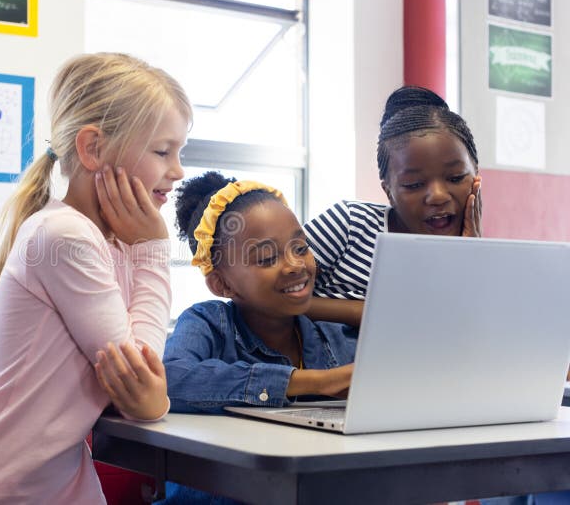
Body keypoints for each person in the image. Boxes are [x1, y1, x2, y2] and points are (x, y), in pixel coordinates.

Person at [0, 52, 191, 504]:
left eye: (180, 152)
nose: (178, 170)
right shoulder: (64, 235)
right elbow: (140, 382)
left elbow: (139, 388)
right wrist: (154, 250)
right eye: (163, 151)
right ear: (93, 148)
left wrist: (151, 399)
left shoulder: (114, 244)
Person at [164, 171, 356, 414]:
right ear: (222, 284)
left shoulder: (334, 336)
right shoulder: (208, 323)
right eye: (267, 258)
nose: (296, 265)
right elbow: (171, 379)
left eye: (300, 248)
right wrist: (318, 382)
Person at [303, 86, 482, 327]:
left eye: (456, 178)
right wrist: (366, 313)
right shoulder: (351, 224)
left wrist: (470, 258)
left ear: (476, 177)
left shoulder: (481, 258)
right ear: (388, 191)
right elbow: (269, 294)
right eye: (414, 184)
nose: (438, 196)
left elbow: (455, 330)